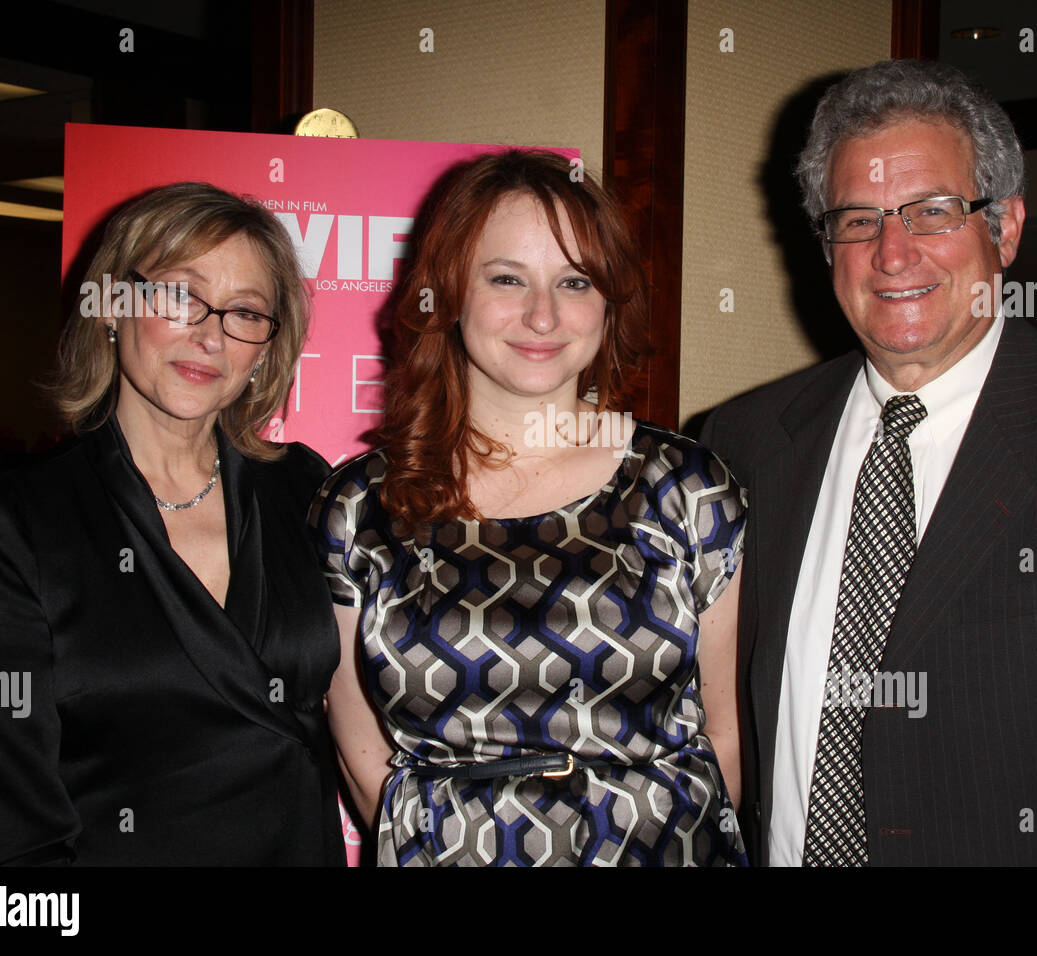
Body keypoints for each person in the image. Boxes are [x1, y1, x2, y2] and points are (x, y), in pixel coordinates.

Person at [701, 59, 1037, 866]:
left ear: (1006, 228)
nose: (893, 252)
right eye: (857, 219)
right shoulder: (743, 445)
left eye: (933, 211)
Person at [311, 149, 747, 866]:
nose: (542, 314)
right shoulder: (360, 508)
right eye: (507, 278)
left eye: (574, 281)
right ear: (450, 292)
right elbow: (361, 749)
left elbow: (724, 731)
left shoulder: (686, 488)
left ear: (608, 302)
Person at [0, 182, 346, 866]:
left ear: (266, 353)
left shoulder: (304, 488)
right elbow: (9, 825)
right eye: (180, 296)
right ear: (110, 306)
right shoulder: (19, 524)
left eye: (246, 312)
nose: (211, 333)